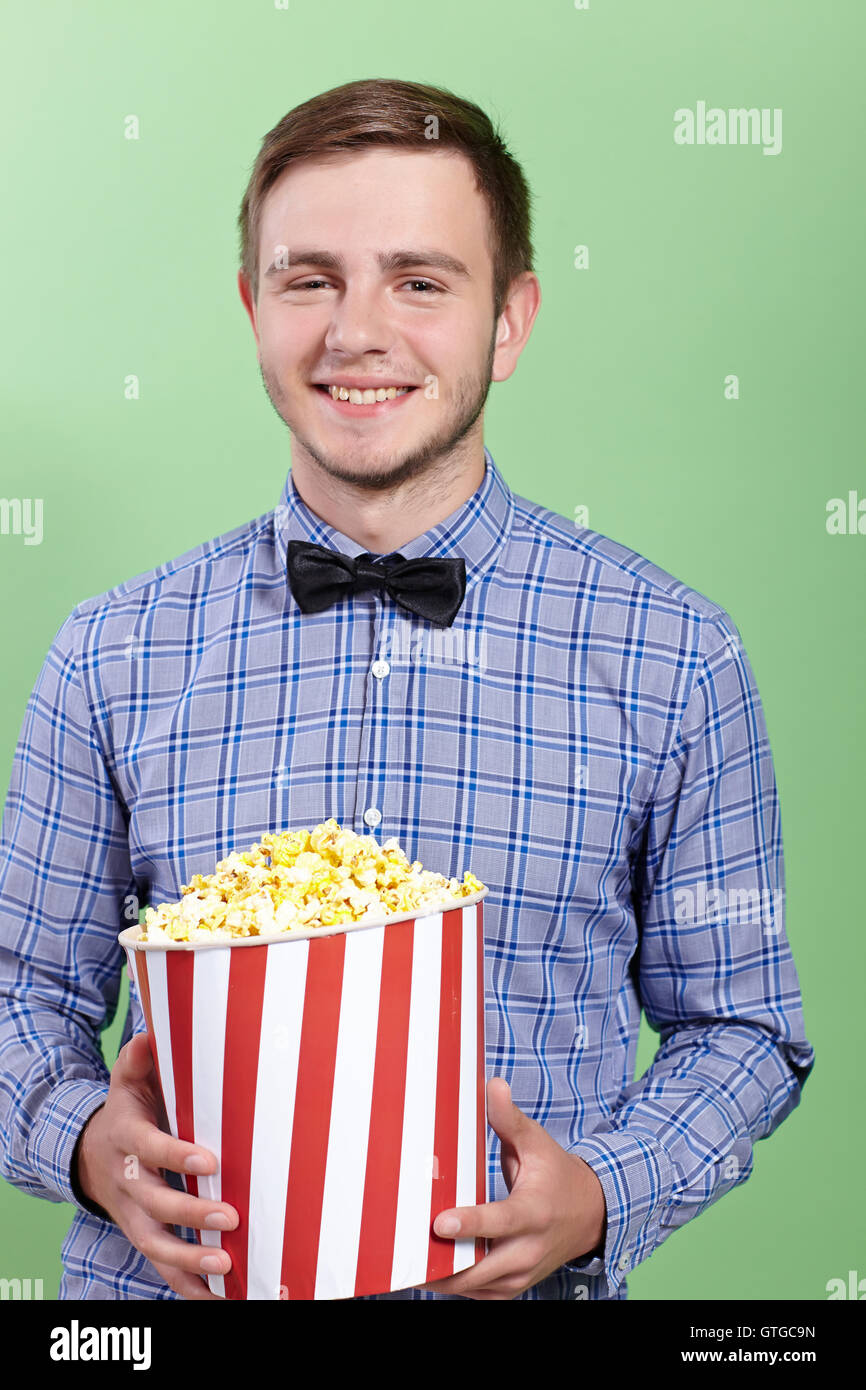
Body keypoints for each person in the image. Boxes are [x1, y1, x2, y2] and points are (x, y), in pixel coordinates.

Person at [0, 77, 814, 1302]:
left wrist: (605, 1191)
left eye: (419, 281)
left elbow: (743, 1030)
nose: (355, 331)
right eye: (308, 278)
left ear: (509, 321)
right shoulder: (110, 650)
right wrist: (81, 1139)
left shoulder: (675, 652)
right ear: (251, 305)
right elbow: (21, 992)